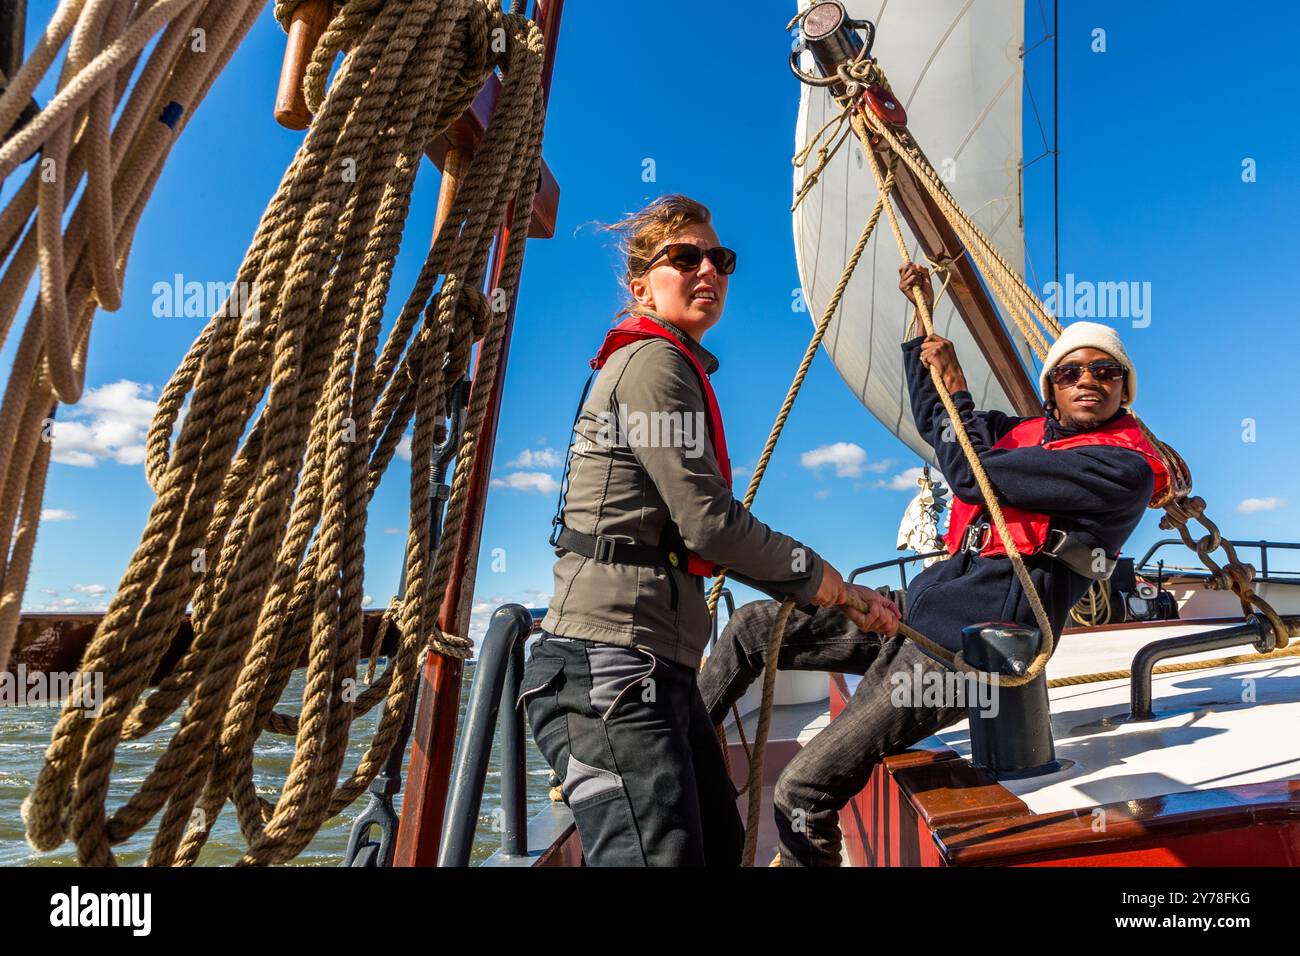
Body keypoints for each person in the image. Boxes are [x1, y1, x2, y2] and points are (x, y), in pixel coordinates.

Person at [698, 262, 1171, 866]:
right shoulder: (1020, 434)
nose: (1089, 381)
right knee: (752, 630)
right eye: (1071, 371)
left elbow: (973, 475)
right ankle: (683, 768)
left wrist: (962, 393)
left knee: (802, 789)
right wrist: (921, 342)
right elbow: (940, 426)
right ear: (1052, 384)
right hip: (915, 619)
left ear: (1124, 389)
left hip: (960, 656)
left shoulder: (1121, 469)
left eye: (1105, 372)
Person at [517, 194, 897, 866]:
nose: (708, 271)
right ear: (640, 287)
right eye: (684, 257)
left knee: (720, 844)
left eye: (718, 259)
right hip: (609, 664)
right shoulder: (654, 364)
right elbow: (709, 527)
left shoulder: (665, 364)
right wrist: (830, 586)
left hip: (651, 664)